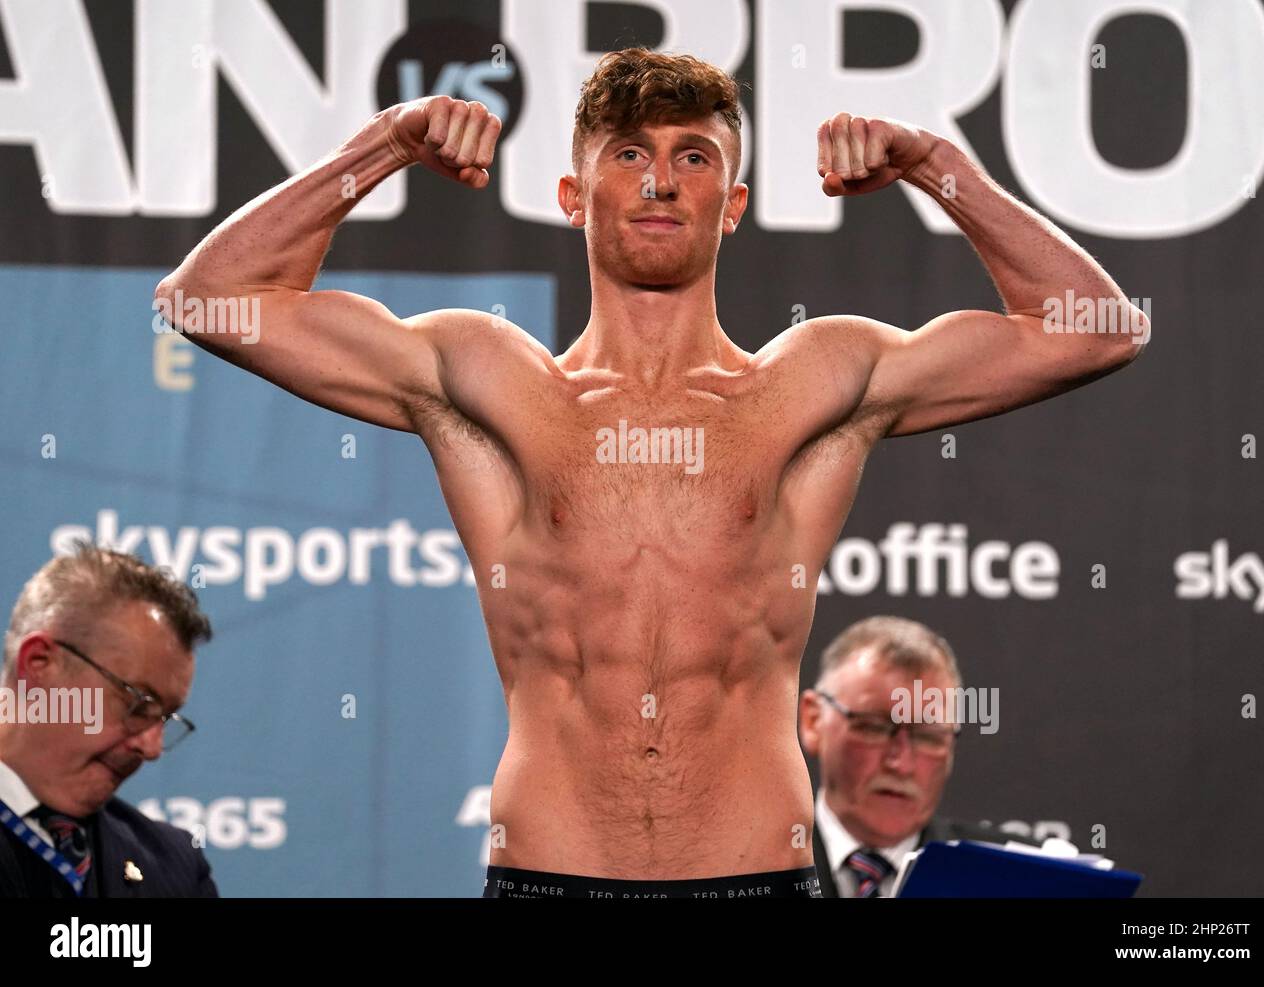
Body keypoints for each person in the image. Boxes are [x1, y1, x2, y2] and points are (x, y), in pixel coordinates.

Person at [155, 47, 1146, 898]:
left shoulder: (817, 381)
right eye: (628, 156)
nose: (661, 181)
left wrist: (936, 166)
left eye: (692, 157)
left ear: (735, 203)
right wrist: (386, 145)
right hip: (549, 875)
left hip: (755, 877)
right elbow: (208, 298)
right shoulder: (484, 379)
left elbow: (1095, 332)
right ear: (573, 198)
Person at [0, 543, 218, 897]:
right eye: (139, 704)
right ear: (39, 665)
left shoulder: (174, 867)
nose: (152, 748)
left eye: (164, 718)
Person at [800, 615, 1048, 898]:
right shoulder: (749, 868)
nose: (901, 763)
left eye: (928, 735)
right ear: (813, 720)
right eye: (873, 727)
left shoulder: (1021, 882)